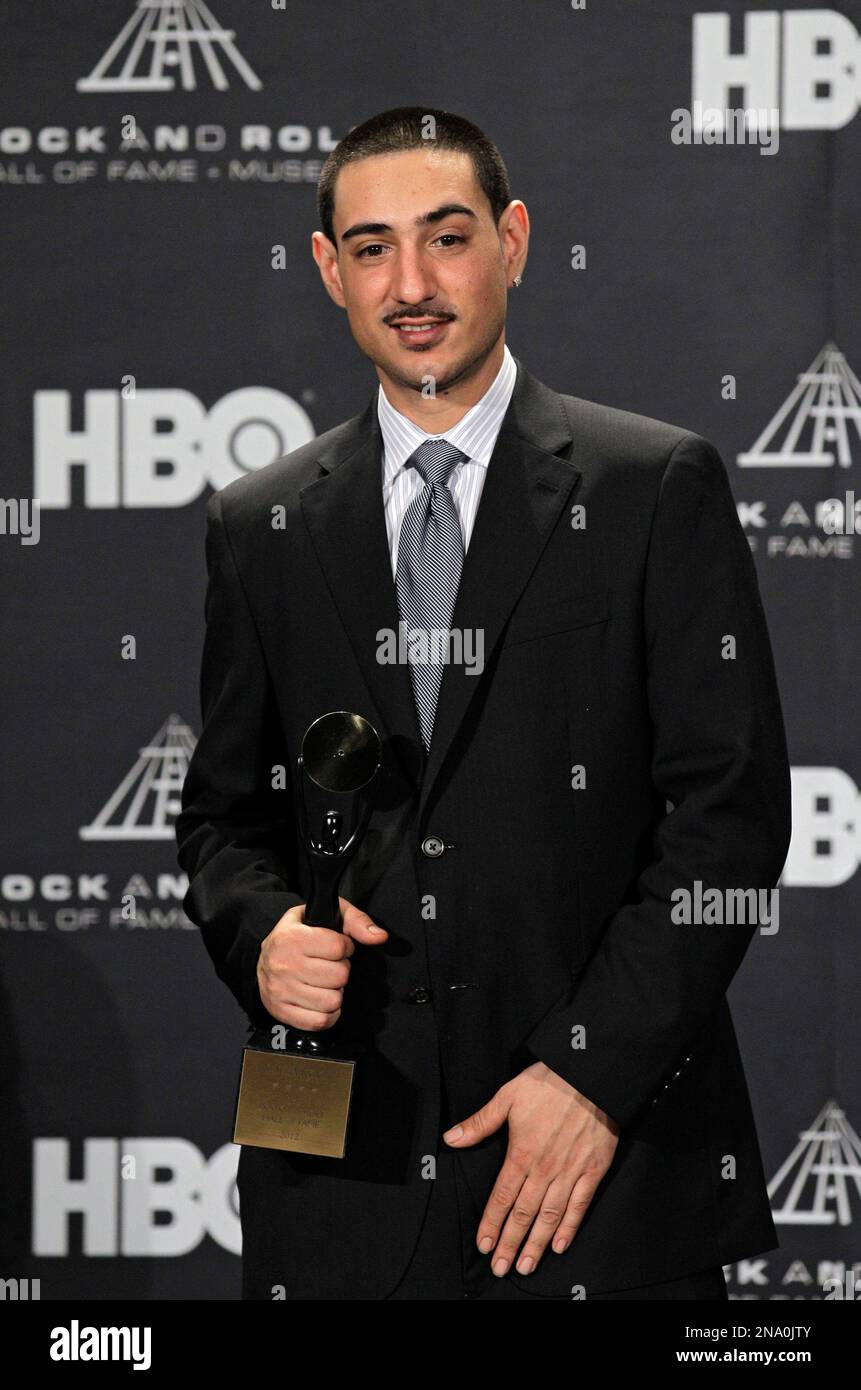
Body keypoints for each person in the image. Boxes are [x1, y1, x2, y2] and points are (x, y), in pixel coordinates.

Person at [175, 106, 792, 1301]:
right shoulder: (262, 524)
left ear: (512, 241)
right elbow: (222, 822)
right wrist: (263, 940)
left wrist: (590, 1076)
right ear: (328, 270)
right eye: (370, 247)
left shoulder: (654, 486)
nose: (410, 282)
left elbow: (729, 822)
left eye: (445, 238)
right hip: (339, 1180)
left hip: (593, 1173)